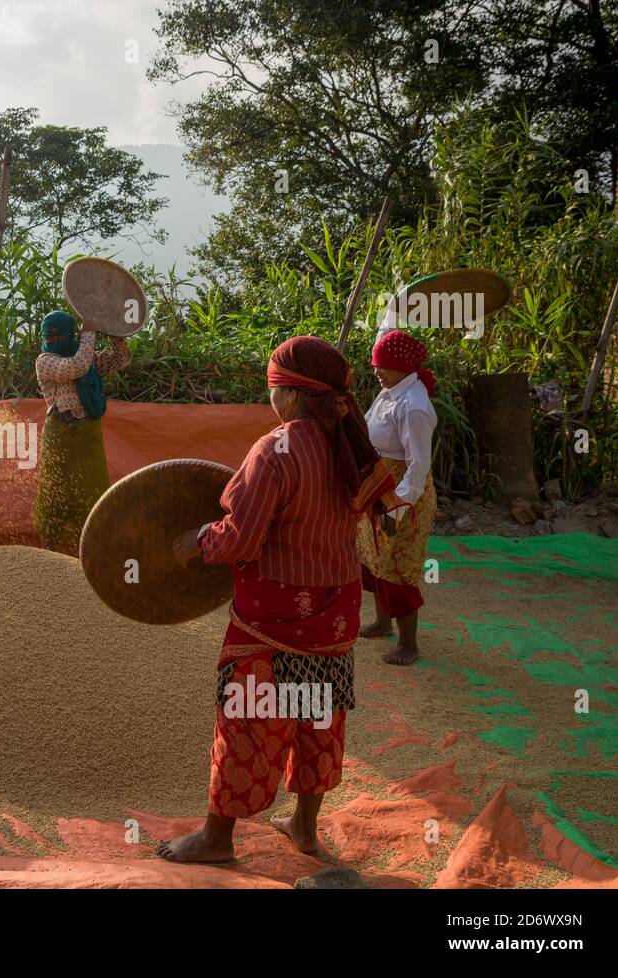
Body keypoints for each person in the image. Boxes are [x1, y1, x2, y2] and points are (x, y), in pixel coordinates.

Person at [159, 335, 396, 864]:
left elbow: (241, 539)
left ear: (287, 392)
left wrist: (197, 542)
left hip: (273, 618)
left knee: (246, 720)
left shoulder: (275, 450)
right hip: (333, 615)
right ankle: (305, 828)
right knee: (318, 715)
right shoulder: (350, 444)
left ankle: (216, 840)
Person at [357, 328, 438, 665]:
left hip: (404, 497)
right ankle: (382, 622)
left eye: (382, 366)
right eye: (375, 365)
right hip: (380, 490)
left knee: (397, 567)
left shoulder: (415, 406)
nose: (376, 372)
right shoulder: (390, 391)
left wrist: (395, 511)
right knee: (375, 557)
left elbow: (417, 468)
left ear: (402, 366)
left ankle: (409, 645)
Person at [32, 311, 130, 553]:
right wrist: (89, 331)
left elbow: (120, 360)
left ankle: (90, 548)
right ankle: (49, 550)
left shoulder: (86, 355)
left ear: (70, 335)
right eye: (49, 338)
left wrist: (114, 333)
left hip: (87, 435)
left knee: (91, 489)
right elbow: (77, 367)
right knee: (55, 492)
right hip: (60, 436)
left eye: (59, 337)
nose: (54, 342)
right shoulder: (45, 361)